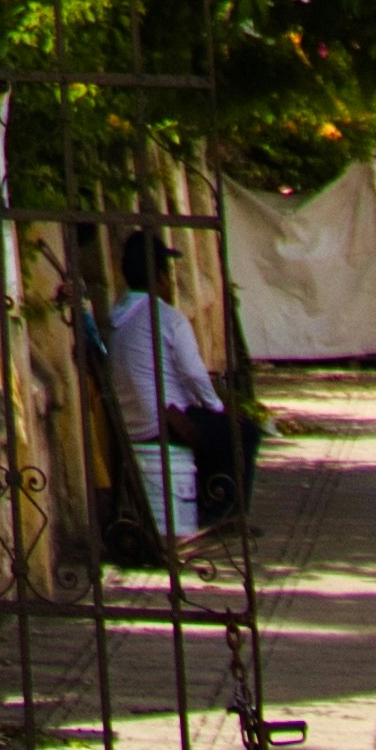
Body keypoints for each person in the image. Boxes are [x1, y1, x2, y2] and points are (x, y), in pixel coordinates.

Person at [107, 227, 228, 552]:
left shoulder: (115, 316)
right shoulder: (167, 317)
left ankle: (202, 506)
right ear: (160, 276)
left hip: (126, 420)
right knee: (237, 435)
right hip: (160, 421)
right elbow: (194, 374)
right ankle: (219, 512)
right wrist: (217, 409)